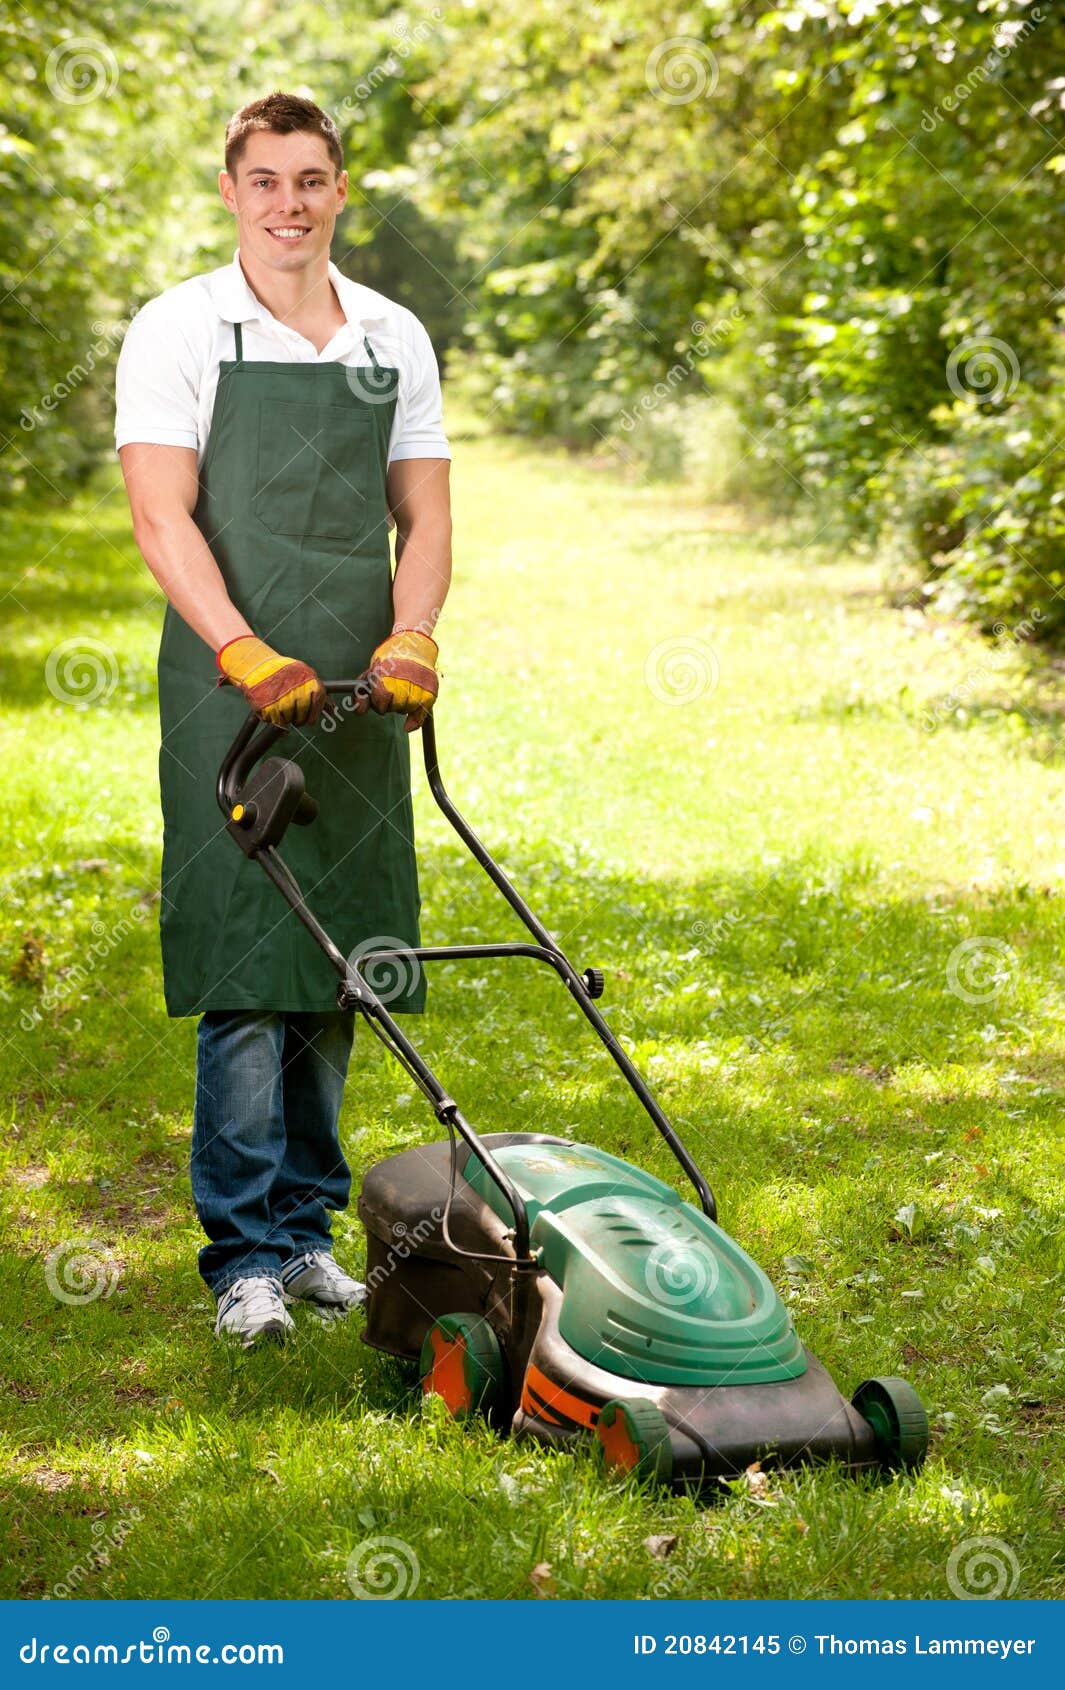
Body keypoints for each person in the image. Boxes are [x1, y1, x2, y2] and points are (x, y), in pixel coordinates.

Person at [115, 91, 452, 1347]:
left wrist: (412, 630)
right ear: (231, 192)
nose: (289, 204)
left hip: (359, 693)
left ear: (340, 190)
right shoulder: (181, 328)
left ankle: (309, 1238)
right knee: (250, 961)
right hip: (230, 684)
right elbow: (163, 515)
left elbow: (424, 512)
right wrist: (241, 644)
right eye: (266, 181)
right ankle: (243, 1255)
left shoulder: (391, 335)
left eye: (311, 180)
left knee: (340, 958)